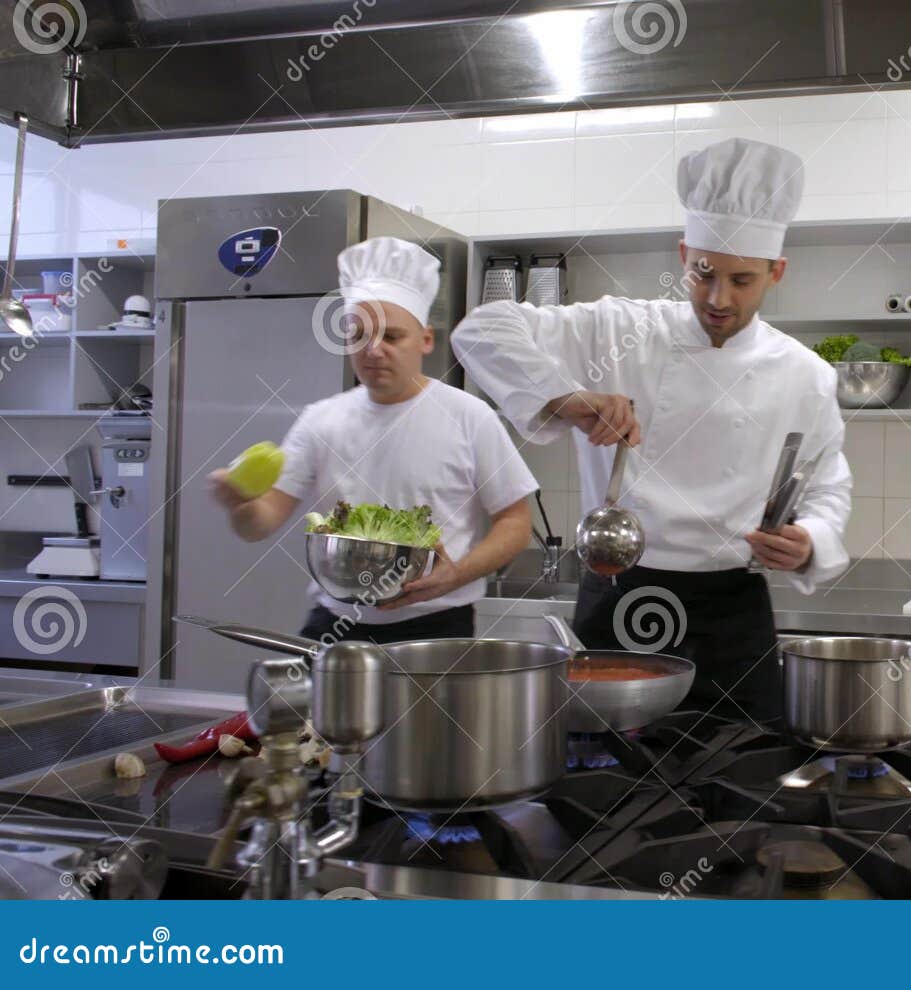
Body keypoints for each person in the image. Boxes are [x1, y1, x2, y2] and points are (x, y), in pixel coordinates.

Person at [452, 137, 851, 723]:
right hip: (619, 591)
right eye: (704, 273)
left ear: (776, 272)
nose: (718, 297)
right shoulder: (617, 328)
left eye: (742, 280)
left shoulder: (805, 374)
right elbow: (482, 329)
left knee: (740, 778)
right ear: (684, 254)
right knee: (607, 776)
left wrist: (810, 538)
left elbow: (826, 486)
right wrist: (566, 397)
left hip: (731, 610)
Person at [210, 236, 537, 643]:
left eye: (392, 337)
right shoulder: (320, 421)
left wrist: (456, 575)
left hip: (436, 628)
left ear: (426, 340)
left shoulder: (469, 416)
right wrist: (238, 503)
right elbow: (261, 523)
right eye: (359, 334)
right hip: (333, 627)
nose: (373, 350)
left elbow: (516, 523)